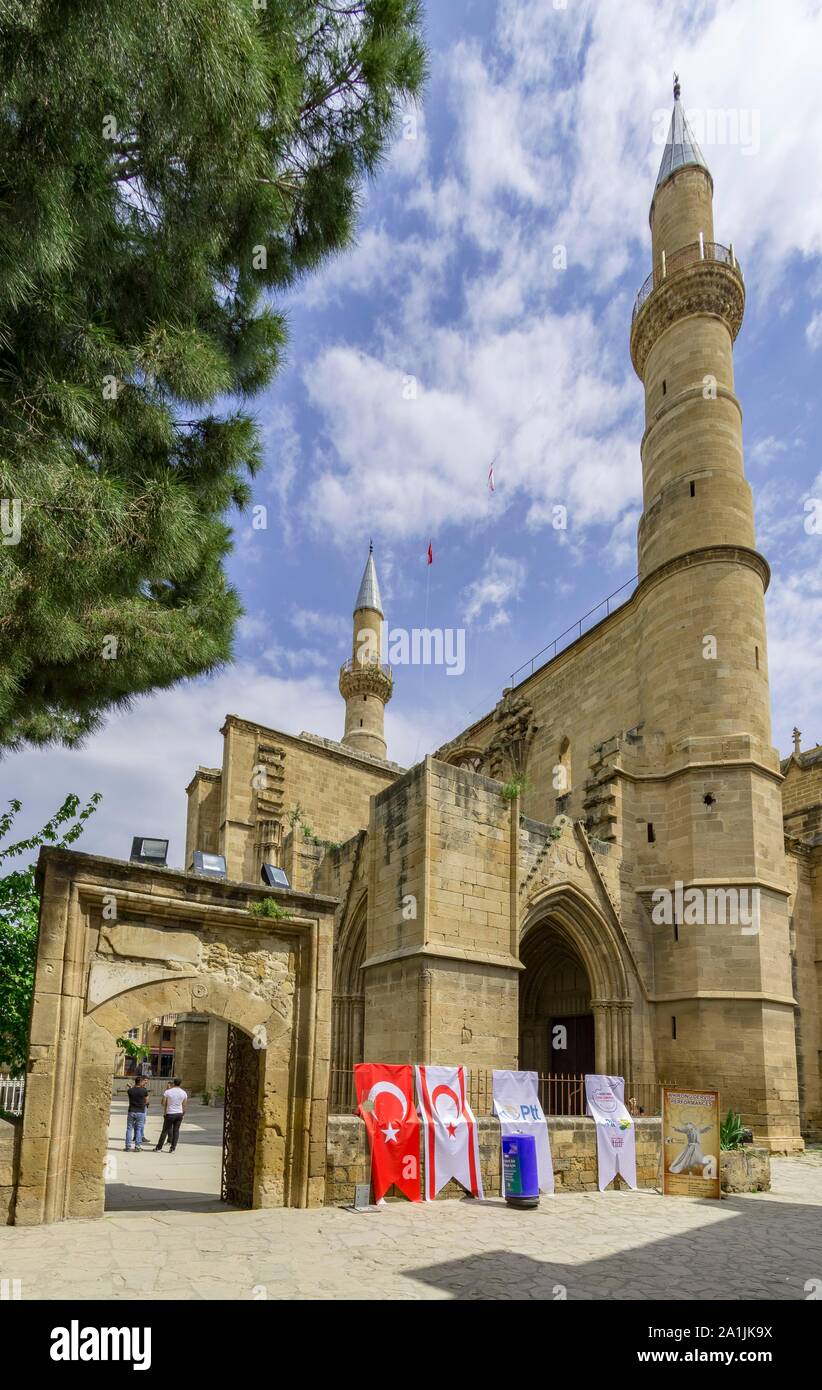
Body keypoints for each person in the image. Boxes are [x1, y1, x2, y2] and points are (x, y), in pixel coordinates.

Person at [155, 1078, 188, 1153]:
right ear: (180, 1084)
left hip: (170, 1113)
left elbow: (163, 1103)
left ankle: (159, 1147)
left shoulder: (168, 1092)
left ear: (173, 1083)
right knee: (176, 1131)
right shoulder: (184, 1093)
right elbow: (184, 1105)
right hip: (179, 1113)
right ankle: (172, 1148)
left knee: (165, 1131)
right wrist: (183, 1114)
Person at [125, 1076, 150, 1151]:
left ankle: (128, 1146)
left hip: (131, 1111)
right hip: (140, 1111)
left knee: (129, 1129)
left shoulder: (130, 1090)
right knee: (139, 1129)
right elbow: (147, 1101)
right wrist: (143, 1104)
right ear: (140, 1082)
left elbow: (132, 1091)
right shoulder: (144, 1091)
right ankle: (137, 1146)